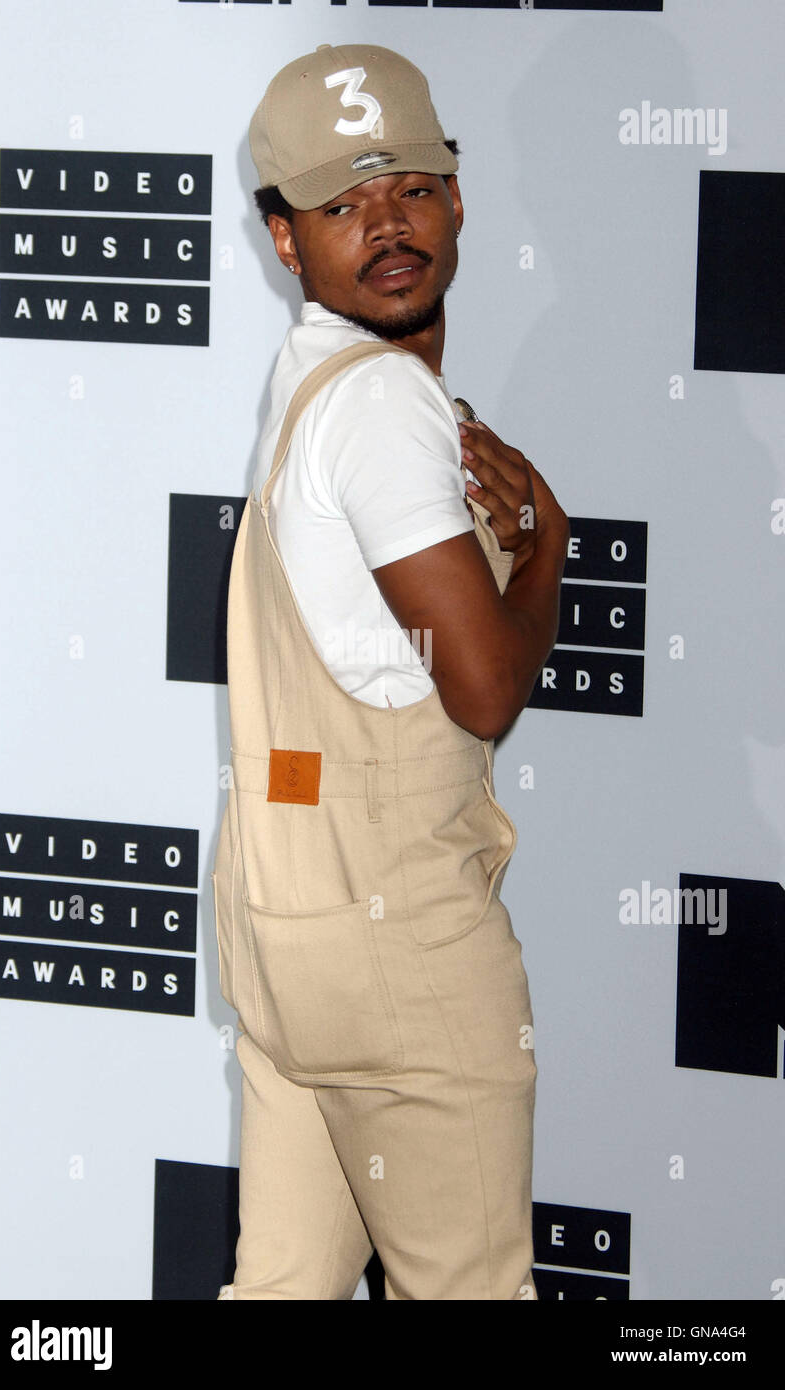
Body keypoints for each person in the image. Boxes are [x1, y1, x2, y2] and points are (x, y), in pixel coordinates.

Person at [212, 42, 570, 1301]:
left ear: (456, 193)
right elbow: (482, 689)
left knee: (282, 1294)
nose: (387, 228)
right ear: (282, 238)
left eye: (407, 188)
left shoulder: (307, 378)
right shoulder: (383, 406)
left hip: (283, 933)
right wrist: (548, 554)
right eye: (340, 204)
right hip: (400, 950)